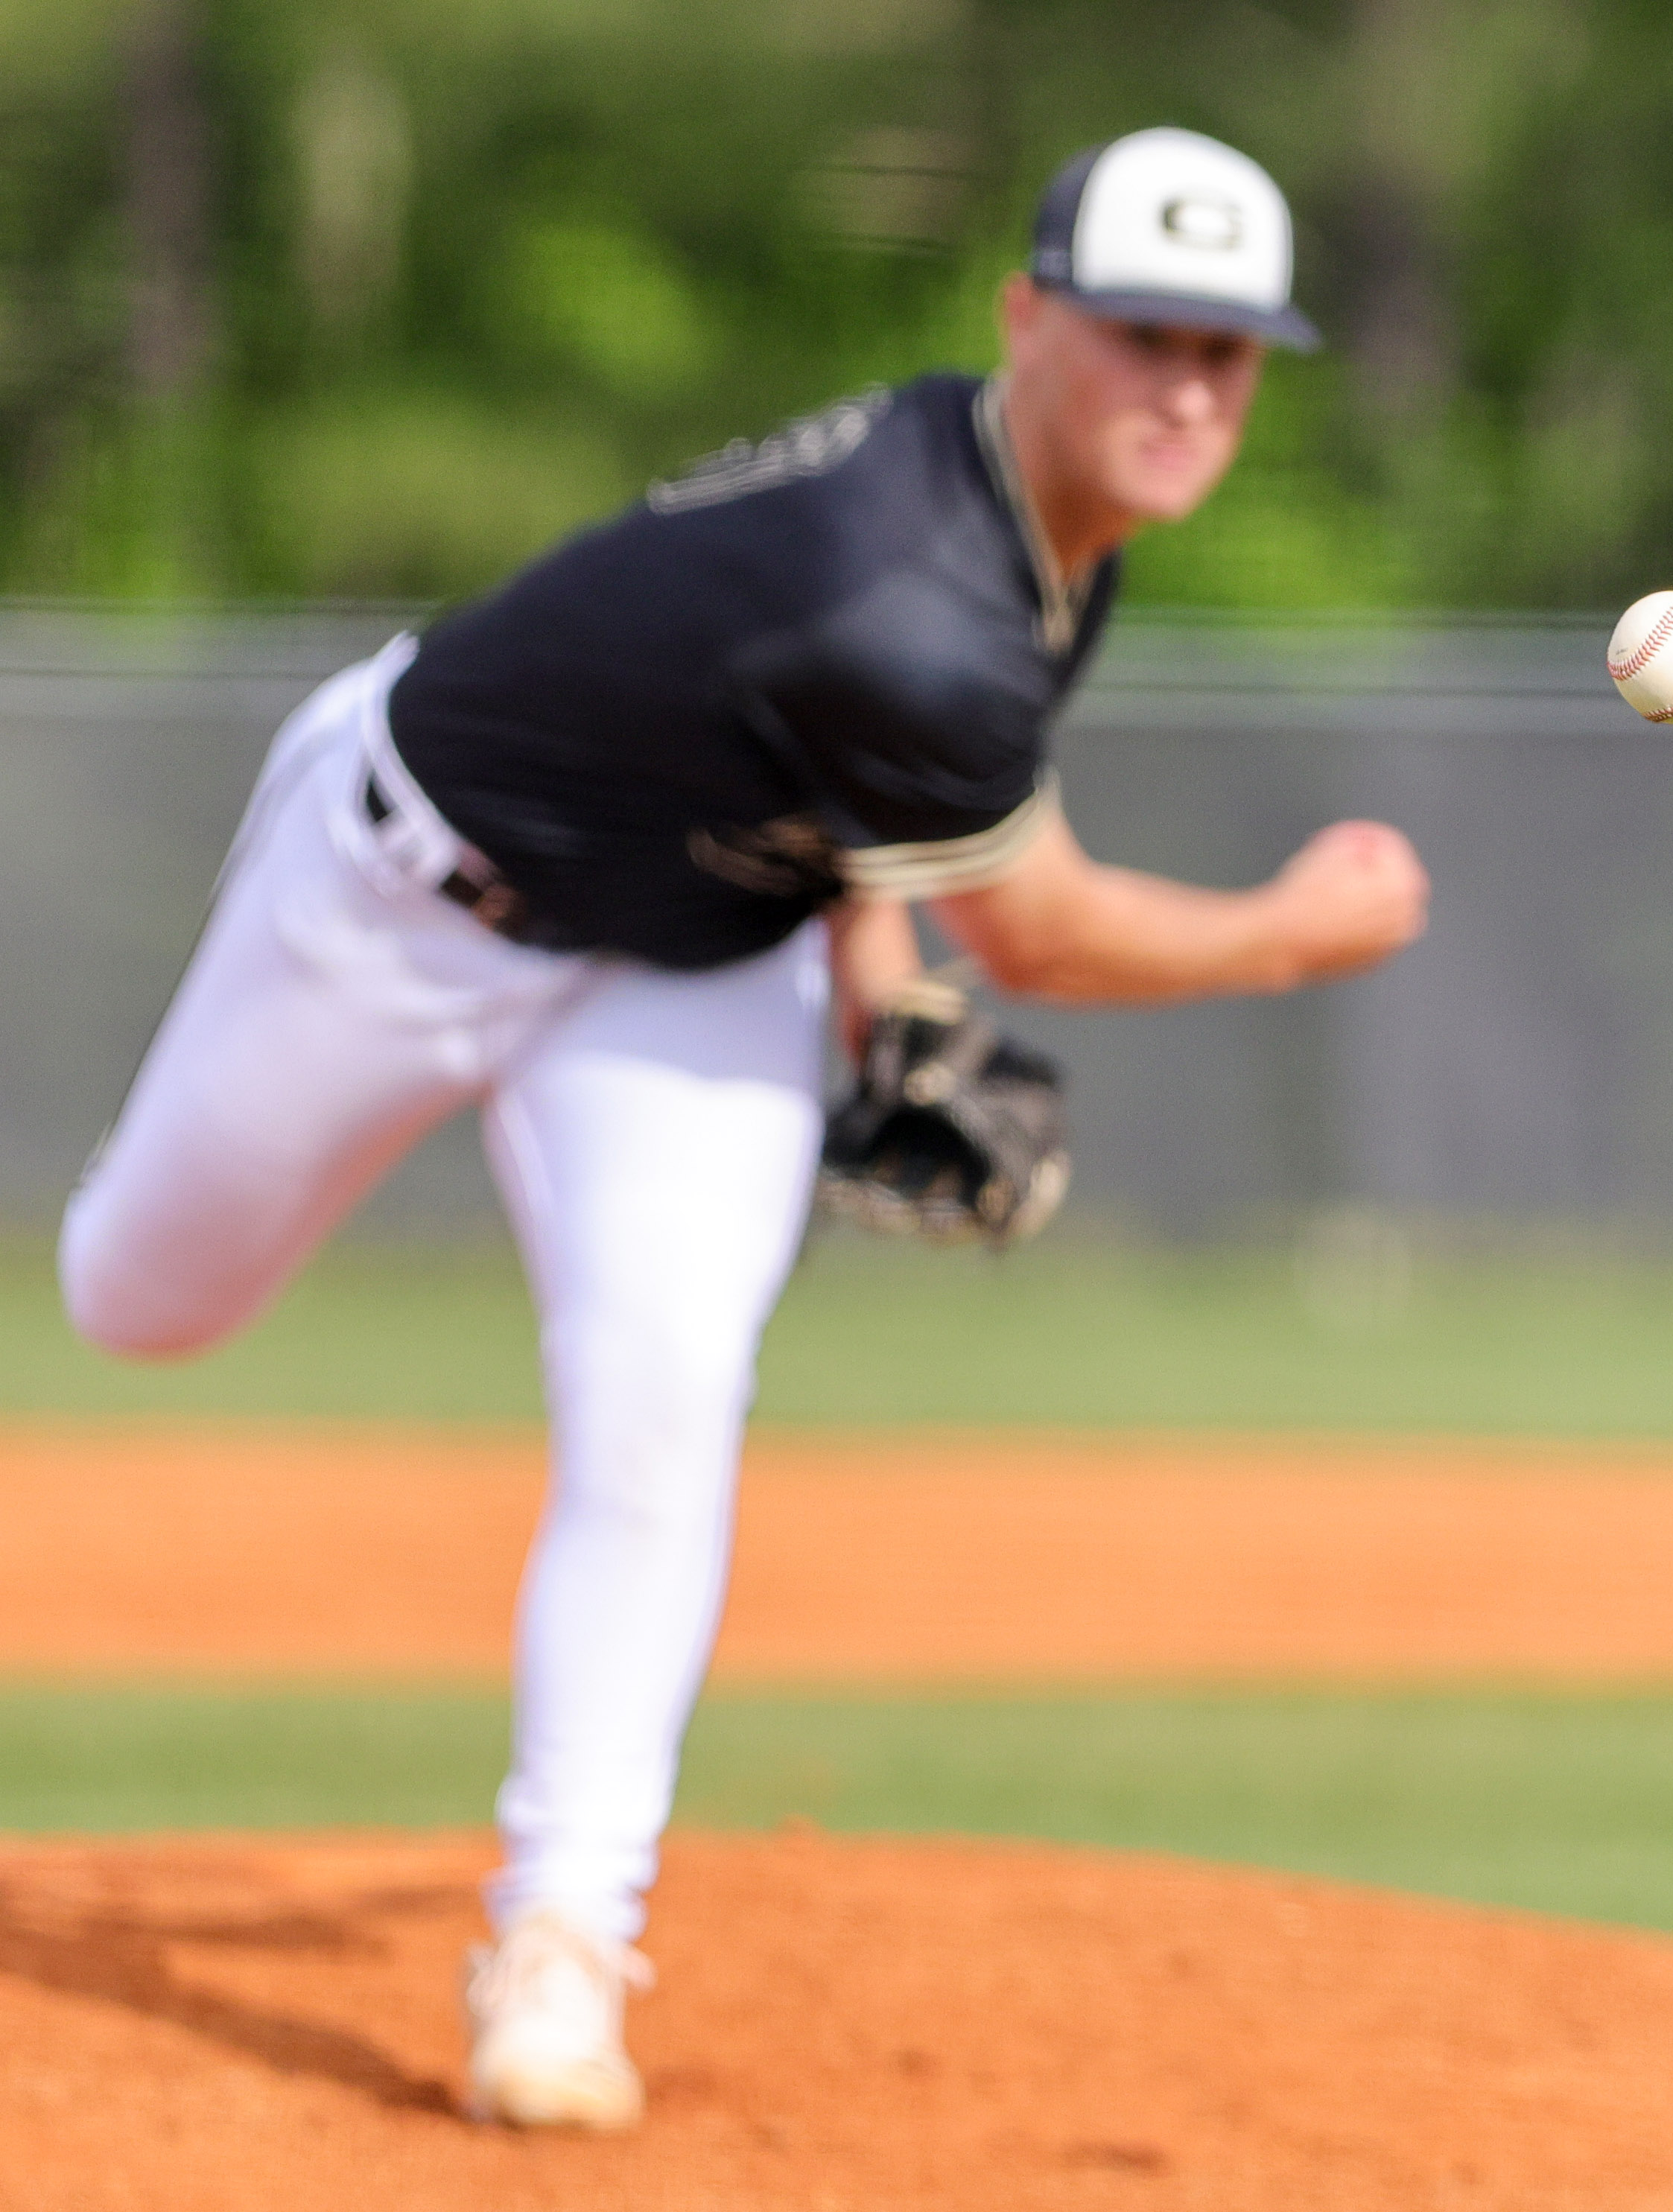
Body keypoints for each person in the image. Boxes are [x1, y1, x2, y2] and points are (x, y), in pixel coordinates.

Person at [58, 126, 1429, 2130]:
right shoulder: (920, 578)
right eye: (1145, 334)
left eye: (1231, 353)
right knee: (138, 1300)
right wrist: (1299, 935)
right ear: (1027, 318)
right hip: (396, 899)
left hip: (689, 957)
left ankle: (562, 1936)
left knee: (669, 1383)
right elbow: (1035, 926)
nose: (1190, 392)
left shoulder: (1025, 515)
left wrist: (872, 971)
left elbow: (826, 767)